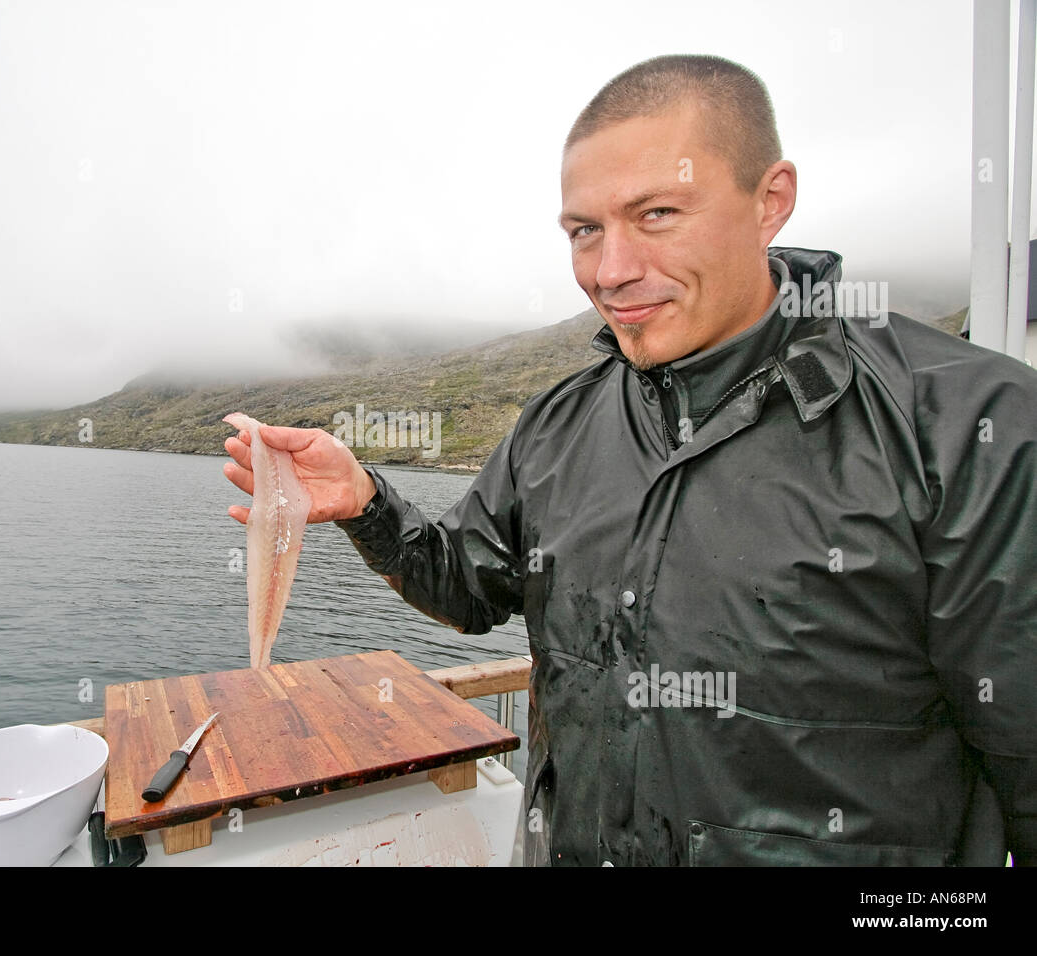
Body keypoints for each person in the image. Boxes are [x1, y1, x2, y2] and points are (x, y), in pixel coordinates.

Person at [222, 54, 1037, 866]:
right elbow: (467, 588)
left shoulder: (967, 426)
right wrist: (366, 501)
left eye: (656, 214)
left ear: (770, 202)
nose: (610, 272)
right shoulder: (556, 426)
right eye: (585, 231)